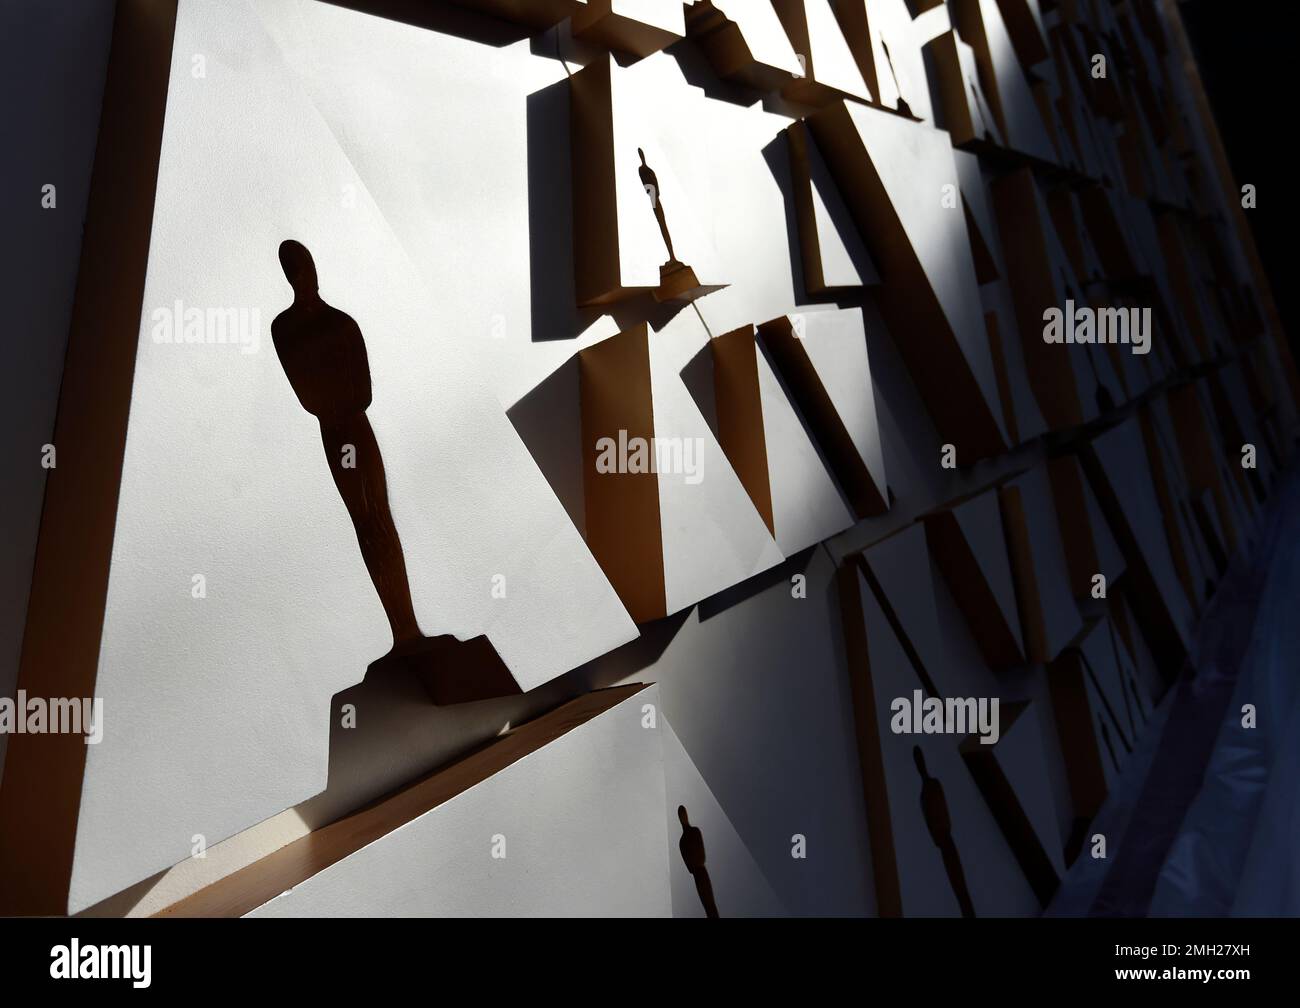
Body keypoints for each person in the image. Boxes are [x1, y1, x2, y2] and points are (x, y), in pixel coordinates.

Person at [271, 240, 421, 647]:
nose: (302, 275)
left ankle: (408, 627)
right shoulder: (286, 329)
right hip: (336, 431)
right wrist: (333, 403)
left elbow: (363, 391)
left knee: (379, 515)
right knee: (365, 520)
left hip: (352, 426)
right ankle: (401, 631)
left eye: (304, 265)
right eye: (294, 268)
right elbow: (307, 394)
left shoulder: (340, 323)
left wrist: (335, 400)